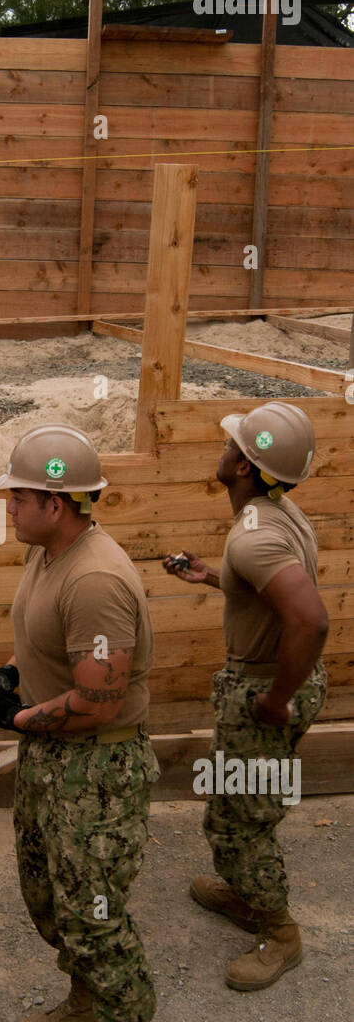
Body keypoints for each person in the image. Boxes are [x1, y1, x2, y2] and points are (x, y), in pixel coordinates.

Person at [0, 424, 168, 1022]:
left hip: (98, 771)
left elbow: (99, 702)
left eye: (17, 498)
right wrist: (13, 677)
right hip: (54, 761)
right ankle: (88, 1000)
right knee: (45, 892)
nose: (8, 509)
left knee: (94, 914)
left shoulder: (96, 579)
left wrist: (19, 715)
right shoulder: (48, 554)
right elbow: (53, 652)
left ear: (56, 503)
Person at [162, 400, 328, 991]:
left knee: (237, 823)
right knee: (244, 803)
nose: (223, 449)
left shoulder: (255, 539)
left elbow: (310, 619)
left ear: (243, 468)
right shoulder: (277, 513)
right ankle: (245, 894)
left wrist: (278, 698)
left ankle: (279, 932)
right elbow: (272, 588)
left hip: (264, 688)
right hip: (278, 681)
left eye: (233, 446)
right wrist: (210, 575)